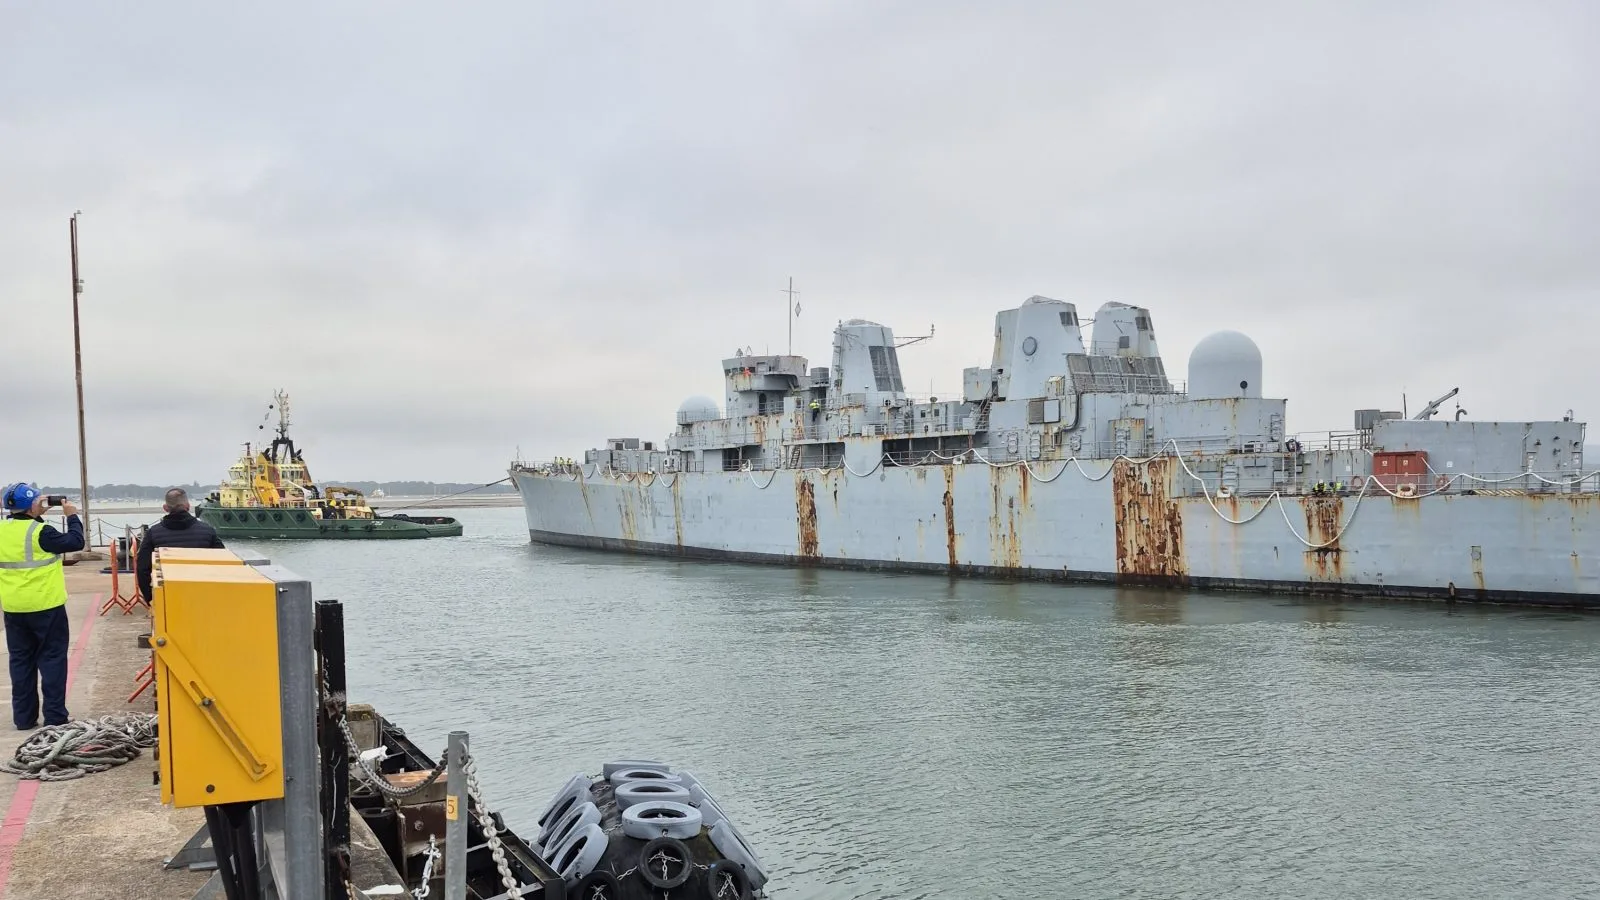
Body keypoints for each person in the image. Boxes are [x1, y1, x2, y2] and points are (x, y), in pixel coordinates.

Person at [0, 482, 83, 730]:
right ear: (33, 505)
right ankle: (55, 716)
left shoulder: (3, 530)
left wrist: (36, 510)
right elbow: (75, 541)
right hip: (46, 606)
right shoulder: (42, 532)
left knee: (20, 661)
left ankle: (24, 719)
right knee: (52, 659)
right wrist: (72, 516)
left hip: (14, 607)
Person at [136, 487, 225, 602]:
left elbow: (142, 569)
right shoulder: (207, 531)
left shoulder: (153, 533)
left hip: (168, 598)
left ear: (165, 508)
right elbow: (224, 563)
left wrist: (151, 599)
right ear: (188, 506)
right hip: (202, 596)